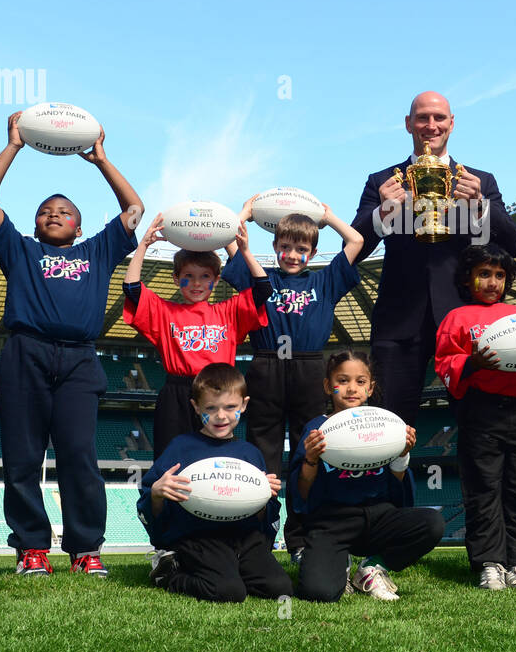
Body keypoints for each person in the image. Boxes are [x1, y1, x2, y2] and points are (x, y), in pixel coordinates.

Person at [0, 111, 142, 578]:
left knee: (78, 457)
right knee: (22, 459)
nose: (54, 214)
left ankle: (86, 549)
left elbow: (134, 210)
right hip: (25, 353)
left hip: (79, 359)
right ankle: (31, 548)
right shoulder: (20, 249)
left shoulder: (98, 252)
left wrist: (102, 161)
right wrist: (14, 146)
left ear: (79, 228)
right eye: (46, 211)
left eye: (64, 212)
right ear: (34, 223)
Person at [351, 91, 516, 429]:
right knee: (390, 430)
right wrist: (383, 210)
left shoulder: (479, 182)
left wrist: (481, 206)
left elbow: (512, 244)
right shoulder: (382, 181)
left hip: (464, 322)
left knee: (478, 429)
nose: (431, 125)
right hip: (399, 322)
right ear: (408, 124)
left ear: (452, 123)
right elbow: (355, 248)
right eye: (423, 117)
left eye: (439, 118)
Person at [222, 200, 364, 563]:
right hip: (267, 366)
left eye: (301, 249)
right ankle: (259, 539)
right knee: (262, 456)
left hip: (308, 369)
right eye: (285, 247)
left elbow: (356, 241)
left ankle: (302, 539)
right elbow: (230, 240)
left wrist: (328, 215)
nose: (292, 254)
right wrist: (245, 215)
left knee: (309, 453)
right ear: (275, 247)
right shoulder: (261, 278)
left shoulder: (324, 280)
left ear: (313, 252)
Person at [434, 243, 516, 591]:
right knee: (483, 489)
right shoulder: (456, 318)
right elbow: (444, 363)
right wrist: (472, 363)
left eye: (500, 275)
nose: (492, 282)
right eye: (484, 274)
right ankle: (489, 563)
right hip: (480, 411)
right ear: (467, 279)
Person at [290, 350, 444, 601]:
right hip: (332, 522)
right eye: (342, 381)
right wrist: (311, 459)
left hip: (379, 517)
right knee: (319, 593)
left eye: (360, 382)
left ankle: (371, 568)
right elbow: (302, 494)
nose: (352, 388)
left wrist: (402, 453)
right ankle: (341, 562)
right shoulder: (316, 429)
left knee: (431, 523)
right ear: (329, 386)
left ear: (370, 388)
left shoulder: (387, 427)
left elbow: (397, 490)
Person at [138, 363, 292, 603]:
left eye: (231, 407)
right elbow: (150, 503)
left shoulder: (250, 454)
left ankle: (232, 568)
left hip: (244, 538)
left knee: (279, 588)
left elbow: (264, 517)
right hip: (200, 537)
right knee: (228, 591)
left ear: (244, 405)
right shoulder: (181, 447)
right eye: (211, 407)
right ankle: (170, 573)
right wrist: (157, 492)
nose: (221, 415)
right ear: (196, 407)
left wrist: (265, 497)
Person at [123, 211, 270, 460]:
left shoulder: (229, 311)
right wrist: (143, 246)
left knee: (216, 459)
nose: (196, 283)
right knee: (171, 459)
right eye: (188, 277)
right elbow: (132, 289)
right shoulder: (165, 312)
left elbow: (263, 288)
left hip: (219, 392)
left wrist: (243, 250)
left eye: (205, 277)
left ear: (216, 279)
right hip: (177, 394)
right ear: (176, 279)